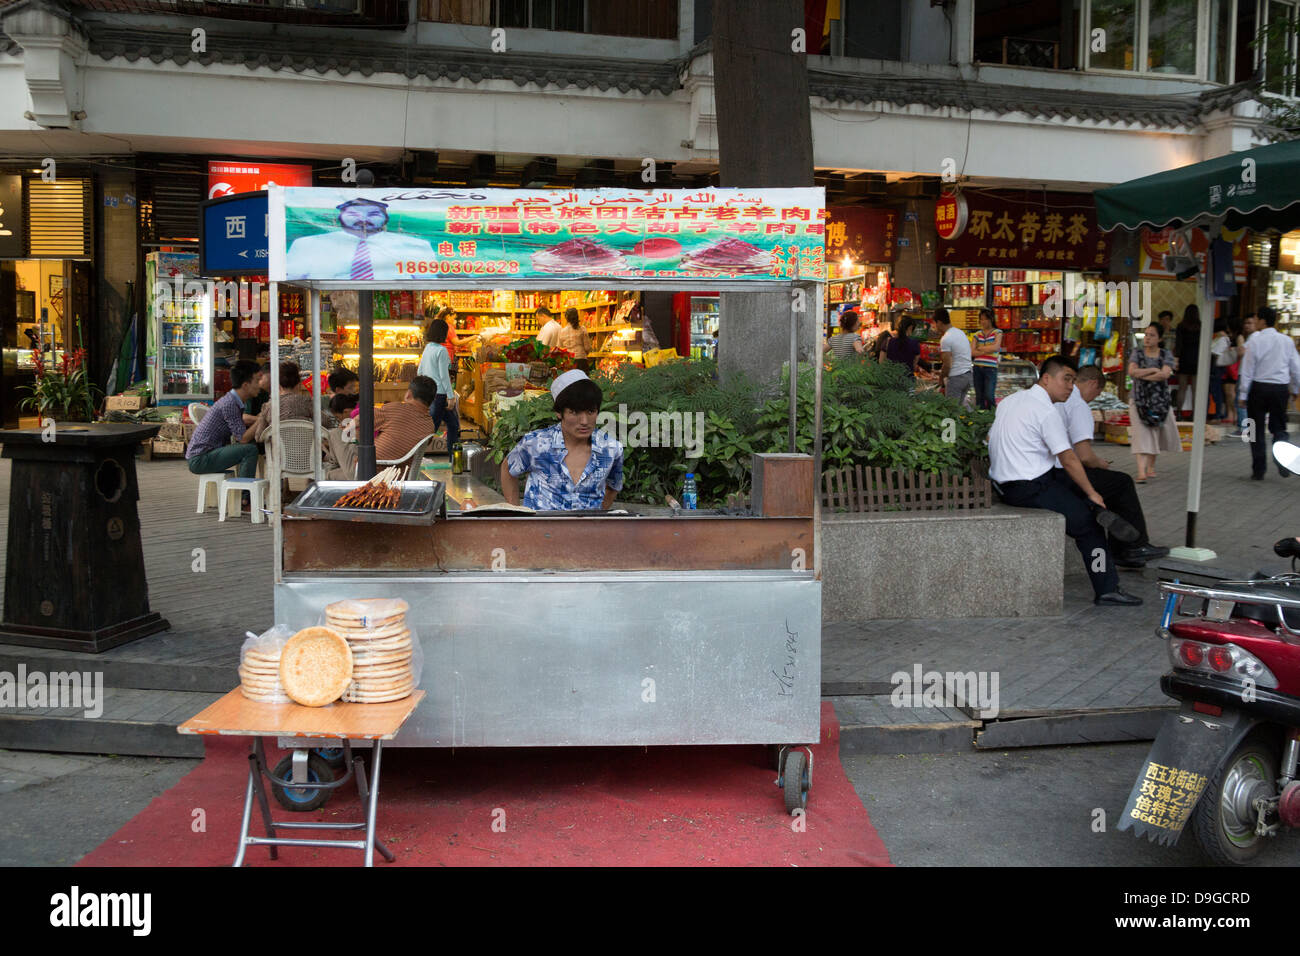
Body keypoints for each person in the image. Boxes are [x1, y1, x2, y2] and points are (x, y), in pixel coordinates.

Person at [987, 354, 1141, 607]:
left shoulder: (1010, 400)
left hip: (1008, 482)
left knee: (1067, 481)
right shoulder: (1046, 411)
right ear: (1046, 379)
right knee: (1090, 527)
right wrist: (1093, 492)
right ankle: (1107, 588)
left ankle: (1094, 508)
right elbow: (1069, 458)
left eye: (1073, 380)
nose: (1071, 386)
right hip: (1028, 487)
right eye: (1066, 379)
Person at [1059, 365, 1169, 569]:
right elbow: (1084, 457)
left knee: (1113, 484)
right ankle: (1133, 546)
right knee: (1122, 482)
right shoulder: (1078, 405)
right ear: (1092, 383)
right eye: (1097, 393)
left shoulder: (1058, 400)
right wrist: (1100, 463)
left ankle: (1123, 546)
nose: (1094, 398)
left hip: (1048, 471)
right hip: (1061, 474)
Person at [501, 370, 624, 511]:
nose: (584, 421)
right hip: (540, 530)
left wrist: (597, 517)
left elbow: (613, 487)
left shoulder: (611, 449)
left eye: (591, 412)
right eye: (574, 412)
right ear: (559, 413)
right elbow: (508, 469)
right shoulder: (537, 443)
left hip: (589, 531)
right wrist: (516, 513)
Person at [285, 198, 436, 281]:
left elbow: (428, 283)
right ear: (339, 217)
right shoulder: (307, 245)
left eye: (373, 214)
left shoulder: (415, 246)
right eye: (354, 214)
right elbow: (291, 281)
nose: (363, 219)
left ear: (386, 218)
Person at [326, 375, 437, 480]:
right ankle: (335, 470)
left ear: (408, 394)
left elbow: (361, 420)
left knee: (336, 433)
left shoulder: (395, 409)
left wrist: (347, 427)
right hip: (398, 475)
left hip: (369, 472)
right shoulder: (430, 425)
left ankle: (335, 467)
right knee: (331, 474)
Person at [1239, 305, 1300, 480]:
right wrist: (1295, 389)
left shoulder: (1255, 341)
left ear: (1263, 321)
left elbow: (1248, 368)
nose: (1255, 321)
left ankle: (1259, 469)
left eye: (1257, 318)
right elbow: (1296, 368)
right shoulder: (1286, 341)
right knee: (1279, 427)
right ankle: (1283, 460)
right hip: (1280, 388)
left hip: (1259, 388)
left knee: (1254, 429)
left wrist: (1243, 394)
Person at [186, 359, 262, 478]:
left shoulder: (234, 400)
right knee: (249, 450)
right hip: (200, 459)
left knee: (249, 448)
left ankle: (244, 491)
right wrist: (262, 418)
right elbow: (242, 438)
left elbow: (240, 425)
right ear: (246, 385)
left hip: (205, 455)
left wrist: (257, 420)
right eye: (257, 381)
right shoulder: (230, 403)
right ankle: (245, 494)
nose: (260, 385)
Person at [1127, 328, 1180, 483]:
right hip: (1138, 399)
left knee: (1155, 430)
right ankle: (1141, 472)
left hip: (1160, 401)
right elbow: (1132, 372)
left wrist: (1142, 375)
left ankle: (1150, 467)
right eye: (1146, 335)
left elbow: (1164, 374)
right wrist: (1152, 370)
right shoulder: (1137, 352)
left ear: (1160, 338)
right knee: (1140, 434)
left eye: (1152, 335)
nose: (1148, 338)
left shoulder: (1166, 354)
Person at [417, 318, 460, 458]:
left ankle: (453, 457)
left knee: (453, 424)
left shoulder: (428, 348)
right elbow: (444, 376)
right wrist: (451, 396)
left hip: (431, 394)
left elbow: (420, 371)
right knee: (432, 428)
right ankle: (417, 456)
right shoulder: (442, 350)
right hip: (441, 394)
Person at [252, 362, 315, 441]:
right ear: (298, 383)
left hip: (278, 452)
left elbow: (258, 437)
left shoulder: (268, 406)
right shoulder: (306, 402)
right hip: (307, 452)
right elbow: (326, 422)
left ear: (277, 384)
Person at [935, 308, 973, 403]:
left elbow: (947, 364)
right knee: (960, 409)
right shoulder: (960, 333)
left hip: (956, 378)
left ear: (939, 322)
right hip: (968, 376)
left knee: (951, 411)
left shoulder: (946, 338)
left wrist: (941, 378)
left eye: (935, 323)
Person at [972, 308, 1001, 410]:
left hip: (990, 368)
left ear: (991, 319)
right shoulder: (977, 334)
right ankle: (981, 420)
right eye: (981, 319)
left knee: (989, 395)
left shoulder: (997, 332)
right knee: (979, 397)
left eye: (985, 319)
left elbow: (996, 347)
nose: (983, 321)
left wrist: (980, 348)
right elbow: (972, 352)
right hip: (977, 368)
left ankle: (992, 416)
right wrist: (988, 349)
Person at [1173, 304, 1201, 415]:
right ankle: (1194, 415)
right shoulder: (1200, 326)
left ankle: (1179, 413)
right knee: (1195, 390)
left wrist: (1176, 359)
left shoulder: (1181, 326)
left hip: (1184, 358)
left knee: (1182, 388)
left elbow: (1178, 344)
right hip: (1196, 359)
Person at [1209, 320, 1236, 424]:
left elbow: (1217, 354)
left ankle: (1218, 414)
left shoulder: (1222, 339)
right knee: (1216, 391)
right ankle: (1218, 413)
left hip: (1217, 368)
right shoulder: (1220, 338)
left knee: (1217, 392)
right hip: (1216, 368)